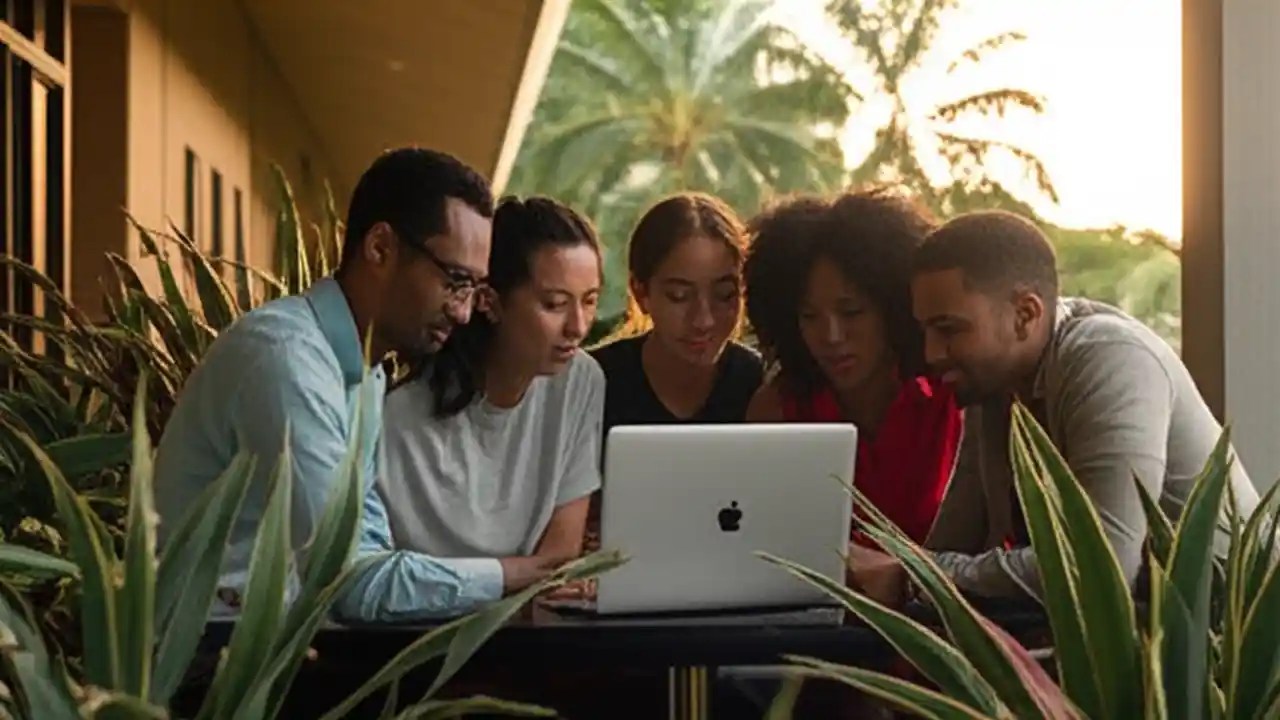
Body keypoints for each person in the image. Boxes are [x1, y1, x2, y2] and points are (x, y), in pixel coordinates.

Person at [153, 147, 554, 623]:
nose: (464, 312)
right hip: (208, 670)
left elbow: (365, 553)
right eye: (455, 281)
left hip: (277, 652)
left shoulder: (365, 372)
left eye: (474, 289)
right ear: (380, 248)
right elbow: (349, 583)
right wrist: (513, 575)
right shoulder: (286, 362)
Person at [848, 209, 1261, 606]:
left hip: (1232, 656)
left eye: (949, 329)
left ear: (1025, 315)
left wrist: (912, 578)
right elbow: (951, 546)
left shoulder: (1110, 359)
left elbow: (1103, 566)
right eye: (925, 330)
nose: (932, 353)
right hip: (1137, 651)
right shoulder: (992, 387)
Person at [377, 196, 604, 575]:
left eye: (590, 301)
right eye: (554, 304)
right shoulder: (399, 409)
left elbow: (560, 556)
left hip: (528, 618)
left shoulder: (580, 380)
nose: (578, 327)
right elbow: (380, 571)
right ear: (489, 302)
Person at [743, 189, 962, 545]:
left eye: (851, 312)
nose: (830, 336)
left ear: (893, 307)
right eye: (809, 316)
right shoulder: (778, 410)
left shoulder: (952, 398)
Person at [591, 192, 763, 437]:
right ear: (641, 293)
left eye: (724, 295)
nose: (704, 320)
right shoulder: (594, 383)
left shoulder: (759, 385)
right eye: (679, 296)